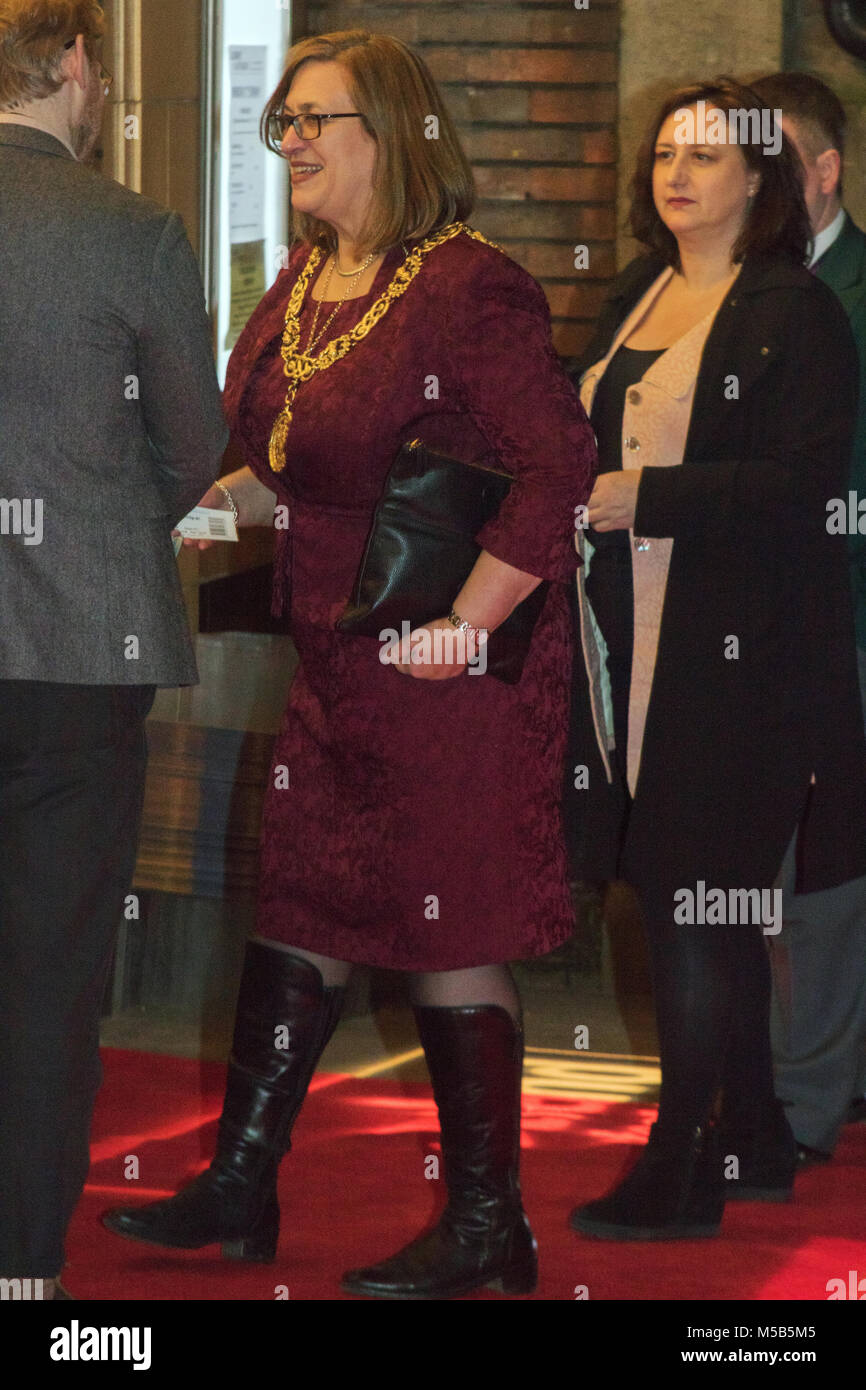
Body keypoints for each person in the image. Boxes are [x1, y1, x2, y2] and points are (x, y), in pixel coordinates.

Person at [102, 29, 596, 1300]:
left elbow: (559, 465)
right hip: (331, 662)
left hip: (442, 675)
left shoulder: (466, 285)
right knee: (307, 905)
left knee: (445, 924)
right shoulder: (306, 282)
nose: (294, 143)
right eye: (284, 122)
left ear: (394, 133)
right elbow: (277, 469)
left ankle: (489, 1226)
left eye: (318, 118)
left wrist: (470, 626)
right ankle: (241, 1183)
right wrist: (189, 511)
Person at [562, 76, 866, 1241]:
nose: (676, 171)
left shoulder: (795, 308)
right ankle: (747, 1136)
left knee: (695, 901)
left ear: (761, 178)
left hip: (738, 662)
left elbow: (802, 488)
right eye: (665, 153)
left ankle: (678, 1164)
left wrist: (648, 496)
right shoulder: (641, 292)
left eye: (706, 153)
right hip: (628, 645)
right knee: (698, 903)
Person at [0, 0, 227, 1299]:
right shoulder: (130, 228)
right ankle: (20, 1267)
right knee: (49, 970)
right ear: (80, 67)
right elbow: (195, 445)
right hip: (81, 648)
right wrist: (113, 516)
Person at [749, 71, 866, 1165]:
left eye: (769, 156)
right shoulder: (721, 291)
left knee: (828, 878)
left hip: (846, 619)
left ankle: (812, 1093)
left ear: (822, 172)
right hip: (754, 629)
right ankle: (779, 1085)